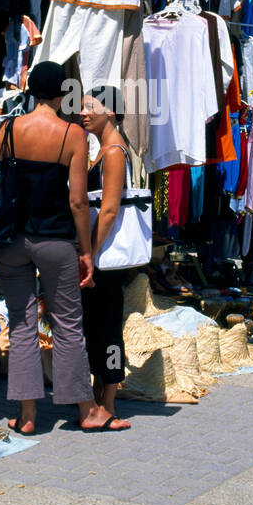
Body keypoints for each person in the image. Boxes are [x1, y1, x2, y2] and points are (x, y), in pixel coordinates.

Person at [0, 62, 130, 434]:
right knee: (68, 327)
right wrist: (86, 250)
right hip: (56, 240)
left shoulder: (8, 129)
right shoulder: (72, 136)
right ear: (62, 95)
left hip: (11, 240)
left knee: (23, 323)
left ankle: (27, 417)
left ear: (29, 91)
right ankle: (88, 410)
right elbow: (78, 201)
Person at [80, 87, 135, 419]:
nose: (83, 112)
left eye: (90, 107)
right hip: (98, 255)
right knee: (97, 326)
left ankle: (110, 401)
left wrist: (88, 253)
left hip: (105, 258)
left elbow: (110, 210)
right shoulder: (101, 150)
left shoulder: (114, 152)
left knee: (109, 327)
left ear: (110, 112)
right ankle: (102, 392)